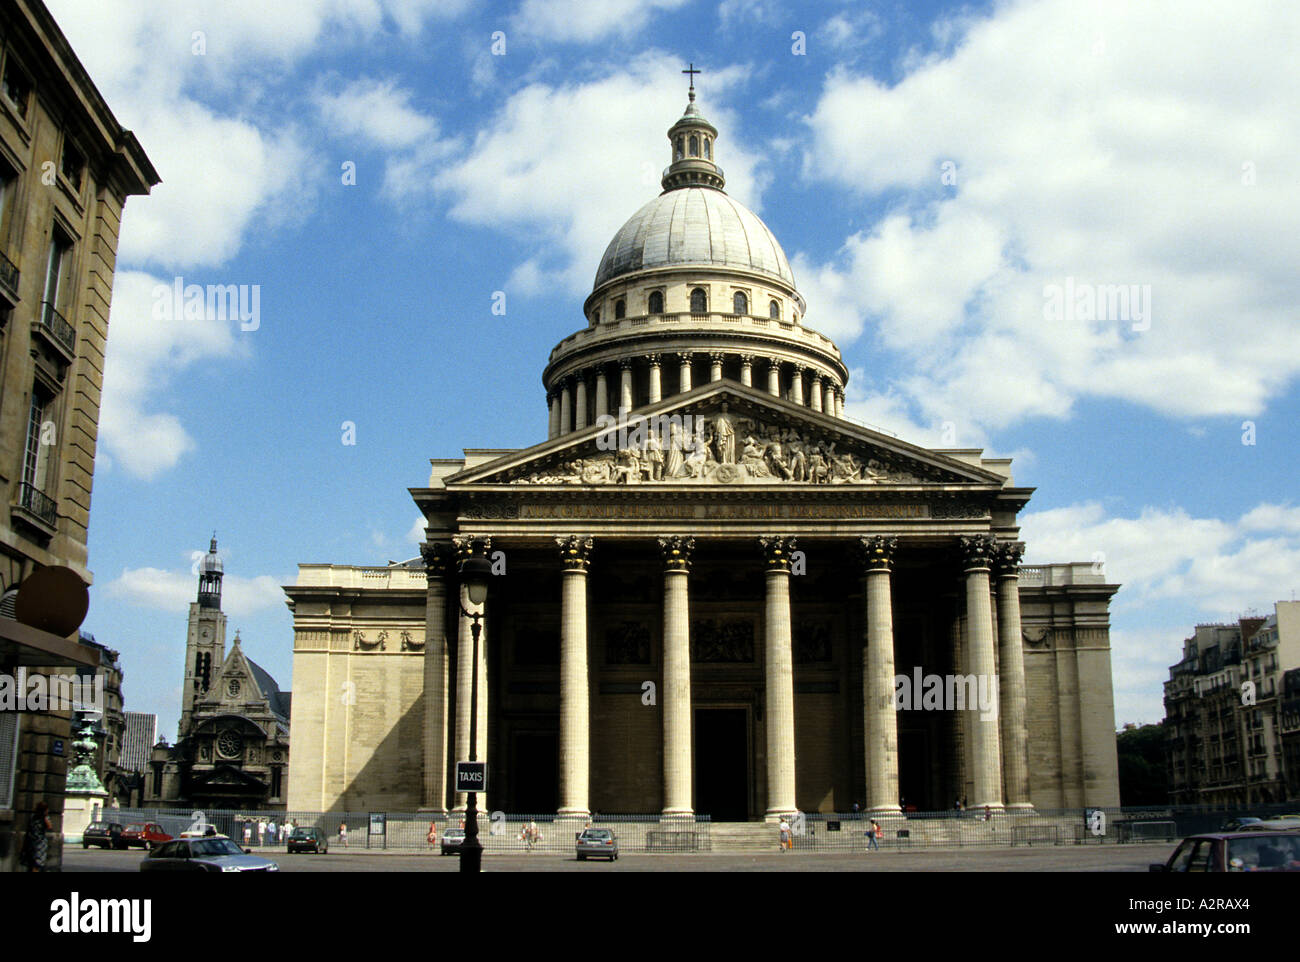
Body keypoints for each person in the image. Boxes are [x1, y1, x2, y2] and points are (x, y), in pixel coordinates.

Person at [18, 801, 51, 872]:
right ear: (44, 810)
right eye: (47, 809)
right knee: (37, 863)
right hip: (38, 843)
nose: (48, 811)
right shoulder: (38, 817)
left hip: (35, 842)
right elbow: (49, 826)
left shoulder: (34, 817)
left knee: (35, 863)